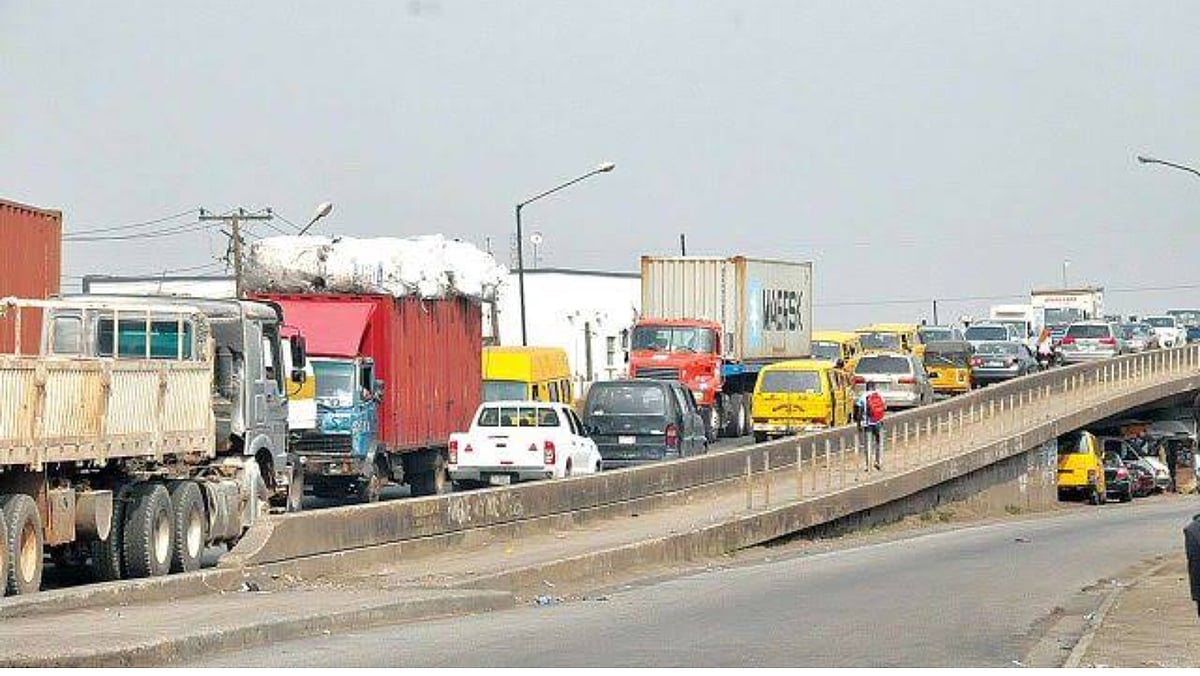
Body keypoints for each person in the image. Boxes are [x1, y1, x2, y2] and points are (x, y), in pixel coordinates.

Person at [854, 382, 886, 470]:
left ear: (867, 387)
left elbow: (859, 410)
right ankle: (878, 462)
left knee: (868, 443)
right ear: (874, 387)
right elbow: (884, 407)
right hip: (878, 421)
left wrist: (858, 423)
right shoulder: (879, 395)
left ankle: (868, 465)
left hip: (867, 423)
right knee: (879, 442)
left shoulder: (863, 396)